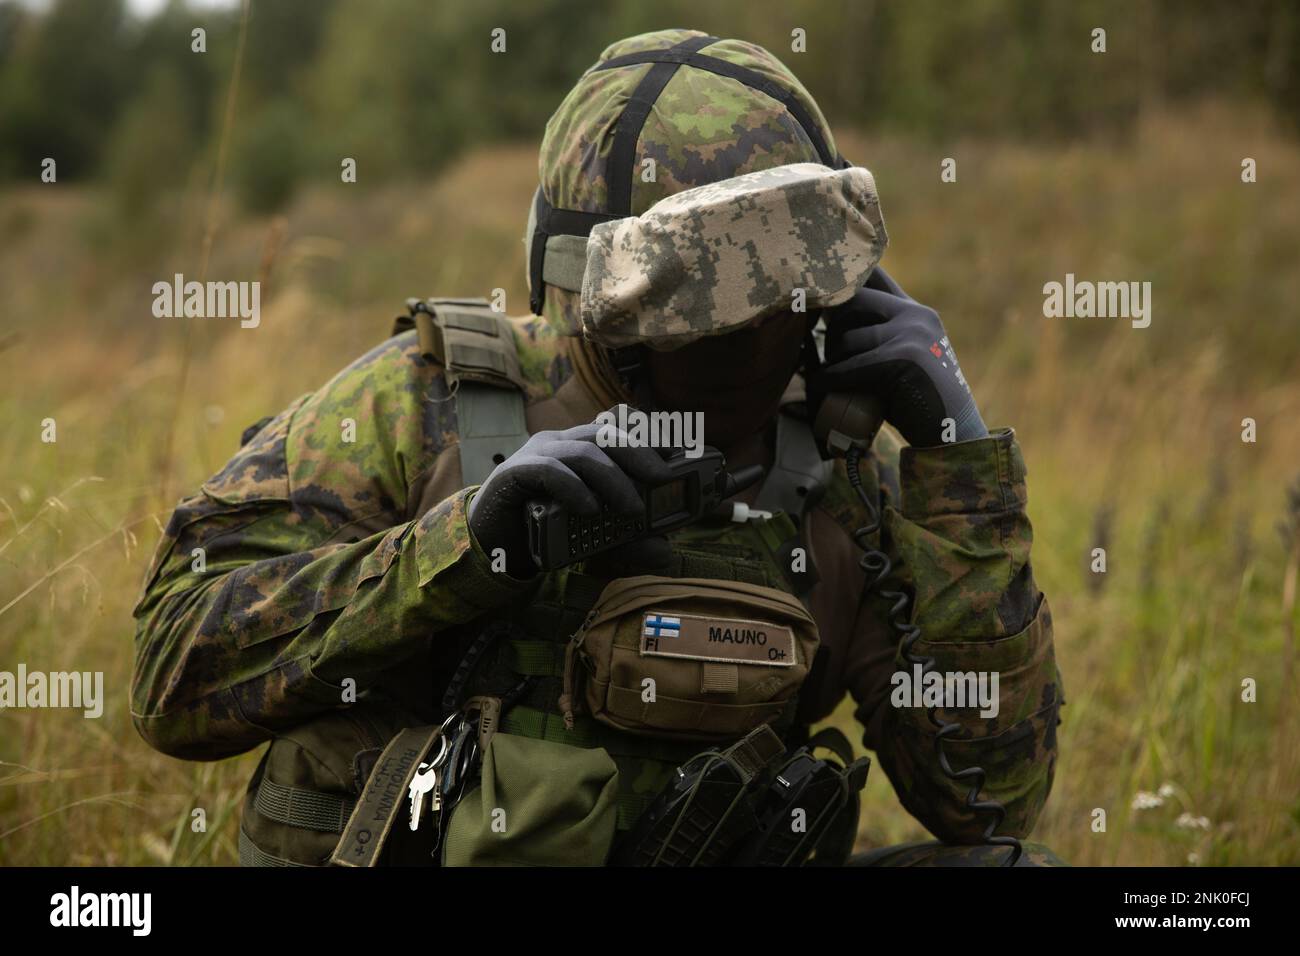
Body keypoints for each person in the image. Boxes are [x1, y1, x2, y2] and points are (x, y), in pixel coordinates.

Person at [132, 28, 1064, 867]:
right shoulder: (425, 405)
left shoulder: (841, 465)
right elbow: (174, 674)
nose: (742, 358)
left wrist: (961, 461)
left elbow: (989, 803)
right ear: (587, 304)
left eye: (773, 312)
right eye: (694, 327)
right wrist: (465, 550)